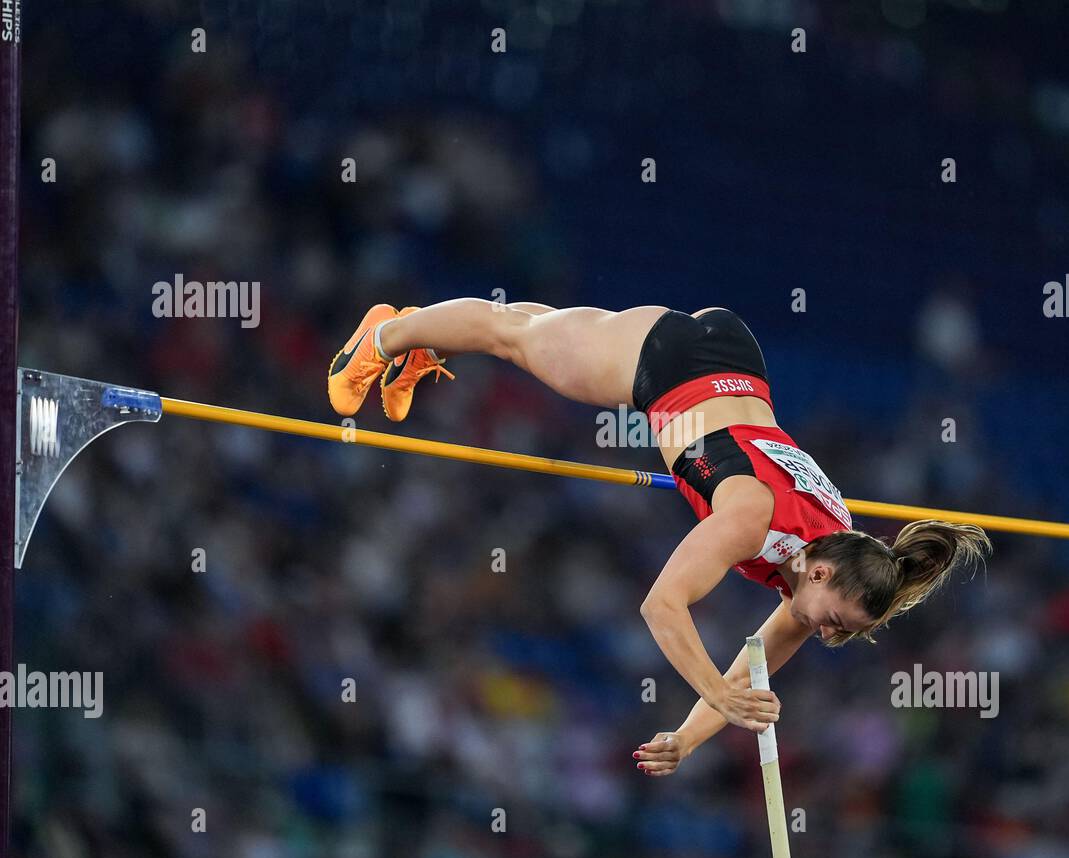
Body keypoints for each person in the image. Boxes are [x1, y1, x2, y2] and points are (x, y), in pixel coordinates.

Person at [328, 300, 991, 776]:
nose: (831, 636)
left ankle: (423, 343)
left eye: (843, 634)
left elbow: (746, 669)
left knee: (538, 326)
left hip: (734, 364)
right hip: (671, 369)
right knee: (513, 337)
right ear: (821, 575)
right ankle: (384, 336)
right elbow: (661, 607)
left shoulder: (836, 551)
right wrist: (717, 695)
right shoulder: (750, 517)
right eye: (837, 623)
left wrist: (688, 735)